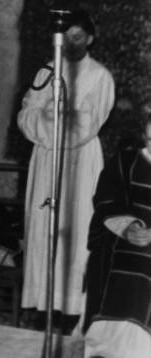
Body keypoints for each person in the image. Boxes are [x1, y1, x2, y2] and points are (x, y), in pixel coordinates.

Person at [18, 10, 115, 323]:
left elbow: (84, 125)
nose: (71, 44)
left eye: (77, 37)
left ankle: (71, 311)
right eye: (66, 37)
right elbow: (25, 114)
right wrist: (49, 121)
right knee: (42, 229)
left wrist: (48, 120)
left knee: (73, 231)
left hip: (79, 163)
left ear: (89, 38)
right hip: (45, 160)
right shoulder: (47, 70)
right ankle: (40, 304)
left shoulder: (99, 77)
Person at [82, 117, 151, 358]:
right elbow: (106, 199)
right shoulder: (125, 162)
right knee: (112, 256)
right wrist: (129, 225)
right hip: (122, 243)